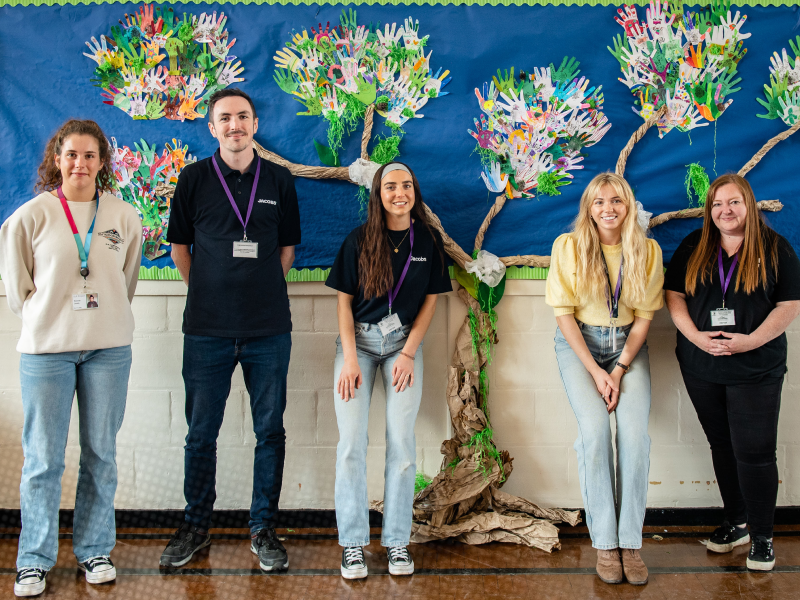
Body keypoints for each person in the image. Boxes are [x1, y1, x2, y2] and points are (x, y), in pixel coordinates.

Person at [159, 88, 301, 572]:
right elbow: (180, 248)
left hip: (268, 330)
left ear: (255, 125)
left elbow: (286, 252)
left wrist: (256, 290)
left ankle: (264, 528)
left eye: (243, 117)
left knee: (270, 432)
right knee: (201, 434)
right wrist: (211, 292)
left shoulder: (279, 180)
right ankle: (196, 526)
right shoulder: (193, 178)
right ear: (212, 128)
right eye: (225, 118)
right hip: (206, 330)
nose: (234, 125)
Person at [0, 119, 142, 597]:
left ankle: (95, 550)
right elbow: (18, 288)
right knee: (43, 459)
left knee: (101, 454)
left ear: (103, 163)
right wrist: (49, 318)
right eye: (71, 155)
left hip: (108, 350)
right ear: (56, 161)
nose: (79, 164)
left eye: (89, 156)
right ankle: (34, 560)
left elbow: (125, 282)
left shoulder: (123, 217)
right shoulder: (31, 216)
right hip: (47, 354)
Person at [664, 173, 800, 571]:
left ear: (749, 205)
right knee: (722, 446)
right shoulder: (693, 245)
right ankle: (736, 521)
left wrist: (749, 341)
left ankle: (762, 538)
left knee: (754, 453)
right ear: (710, 211)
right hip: (702, 365)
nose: (726, 211)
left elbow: (789, 306)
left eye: (734, 202)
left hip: (755, 367)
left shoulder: (776, 249)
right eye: (718, 204)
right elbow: (674, 297)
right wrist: (696, 338)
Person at [325, 162, 451, 579]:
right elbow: (342, 301)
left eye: (407, 185)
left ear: (416, 192)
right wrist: (347, 357)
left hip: (402, 350)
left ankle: (398, 542)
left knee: (401, 445)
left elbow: (432, 299)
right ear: (378, 194)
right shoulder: (359, 240)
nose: (400, 192)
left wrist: (410, 352)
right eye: (391, 186)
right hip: (357, 346)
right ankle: (353, 545)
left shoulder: (426, 241)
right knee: (351, 445)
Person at [546, 172, 663, 586]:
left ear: (628, 205)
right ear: (589, 208)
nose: (608, 208)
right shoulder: (569, 246)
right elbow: (562, 314)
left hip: (628, 348)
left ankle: (630, 542)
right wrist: (596, 371)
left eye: (616, 200)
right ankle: (605, 545)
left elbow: (645, 317)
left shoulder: (646, 251)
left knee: (633, 436)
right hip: (580, 345)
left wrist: (618, 369)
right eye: (599, 202)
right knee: (595, 434)